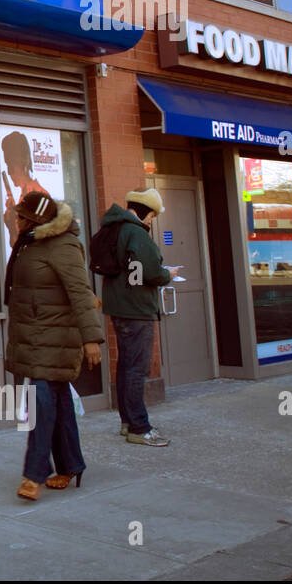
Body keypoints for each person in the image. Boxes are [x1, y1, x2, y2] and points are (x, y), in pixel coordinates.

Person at [4, 192, 105, 500]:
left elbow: (80, 293)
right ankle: (71, 464)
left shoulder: (63, 246)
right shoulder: (29, 242)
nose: (17, 220)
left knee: (40, 401)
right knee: (58, 401)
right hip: (34, 333)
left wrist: (91, 339)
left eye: (22, 216)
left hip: (56, 336)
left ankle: (33, 475)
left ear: (36, 220)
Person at [99, 189, 173, 447]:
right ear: (144, 211)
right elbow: (149, 271)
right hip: (136, 310)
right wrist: (168, 274)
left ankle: (127, 422)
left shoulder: (115, 227)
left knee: (125, 365)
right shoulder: (135, 232)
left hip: (119, 307)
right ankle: (140, 427)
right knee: (136, 369)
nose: (151, 221)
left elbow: (133, 272)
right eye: (152, 216)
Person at [0, 131, 49, 250]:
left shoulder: (38, 194)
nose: (10, 172)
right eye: (8, 166)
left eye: (12, 165)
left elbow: (37, 237)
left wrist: (13, 220)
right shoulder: (24, 195)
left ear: (24, 162)